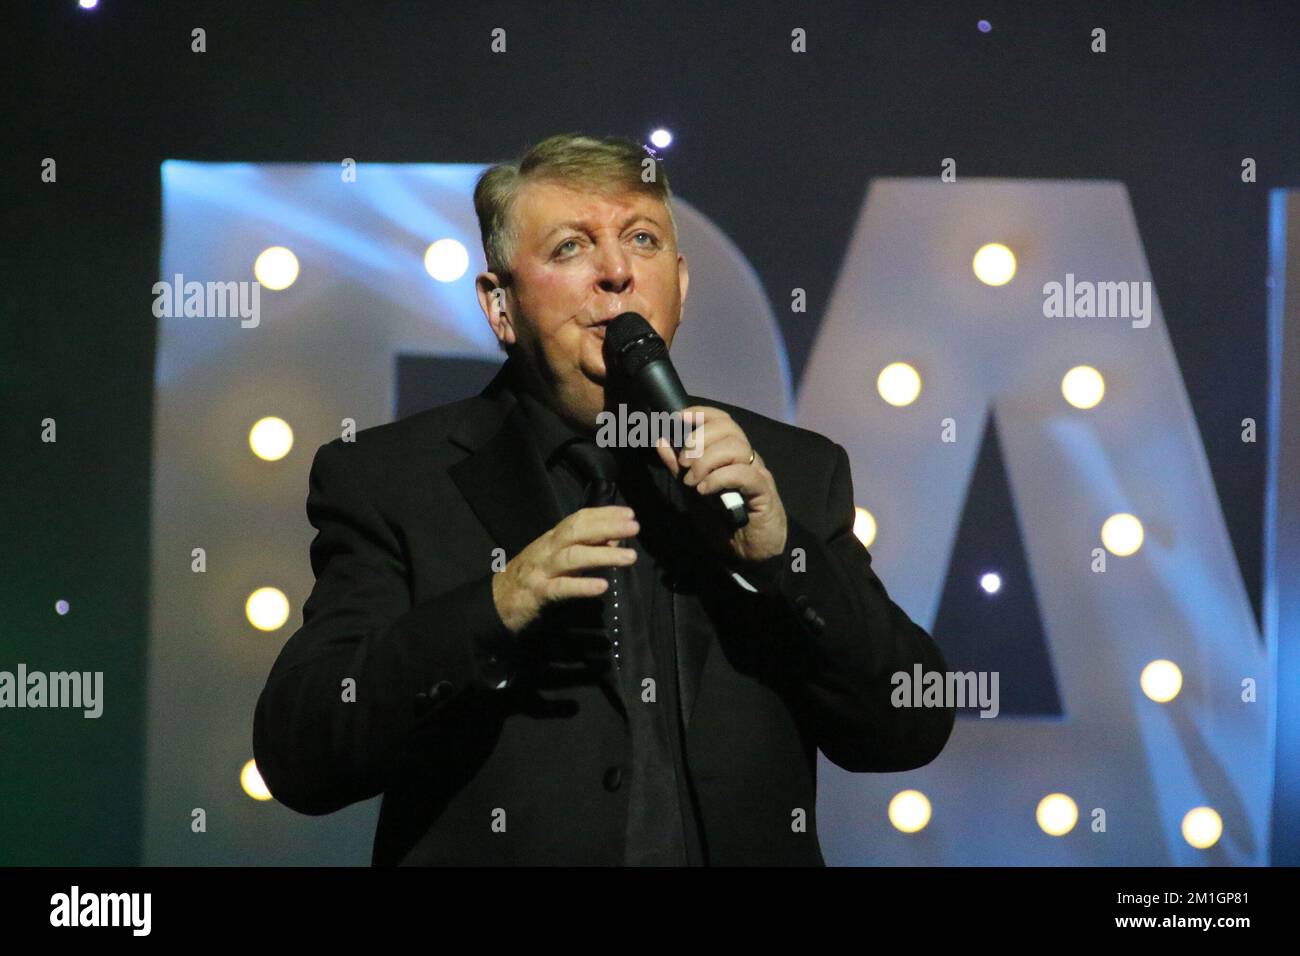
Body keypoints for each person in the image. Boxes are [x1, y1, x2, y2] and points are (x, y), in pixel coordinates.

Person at [252, 133, 955, 865]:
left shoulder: (791, 472)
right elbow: (301, 756)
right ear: (500, 306)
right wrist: (494, 608)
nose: (616, 272)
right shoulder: (391, 480)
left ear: (679, 286)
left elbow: (910, 724)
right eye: (569, 248)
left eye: (642, 240)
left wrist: (786, 560)